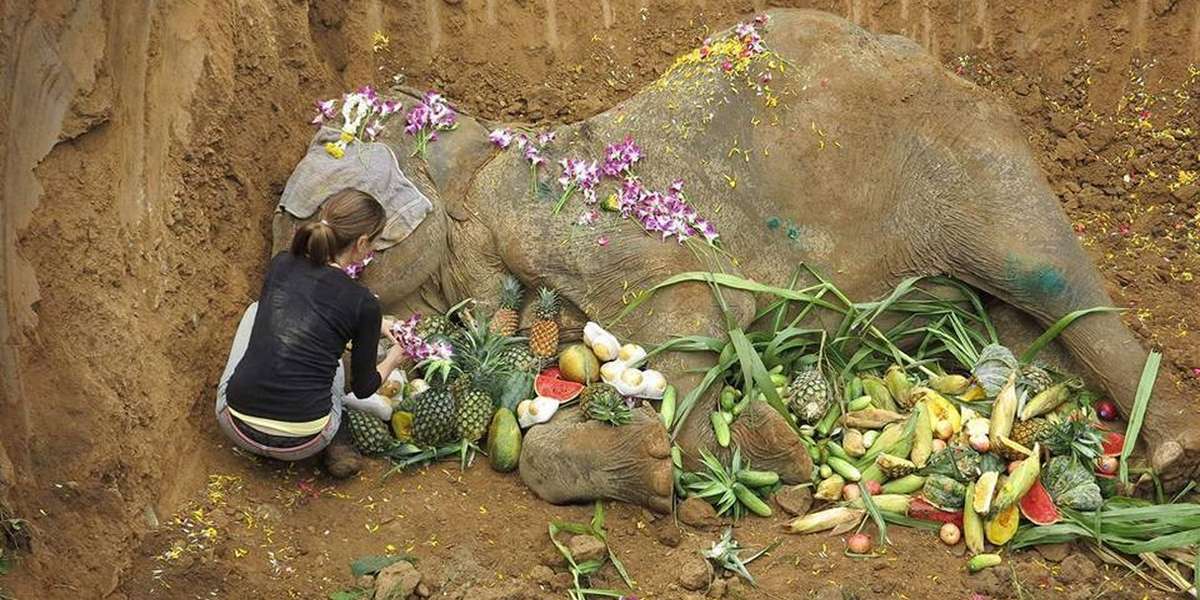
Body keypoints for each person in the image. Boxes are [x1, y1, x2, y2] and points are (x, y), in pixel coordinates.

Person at [215, 189, 404, 478]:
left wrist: (376, 325)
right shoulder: (363, 302)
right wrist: (395, 356)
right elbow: (365, 386)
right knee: (336, 365)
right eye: (374, 243)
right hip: (305, 441)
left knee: (257, 311)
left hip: (236, 426)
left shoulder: (280, 264)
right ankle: (336, 438)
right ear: (362, 242)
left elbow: (306, 306)